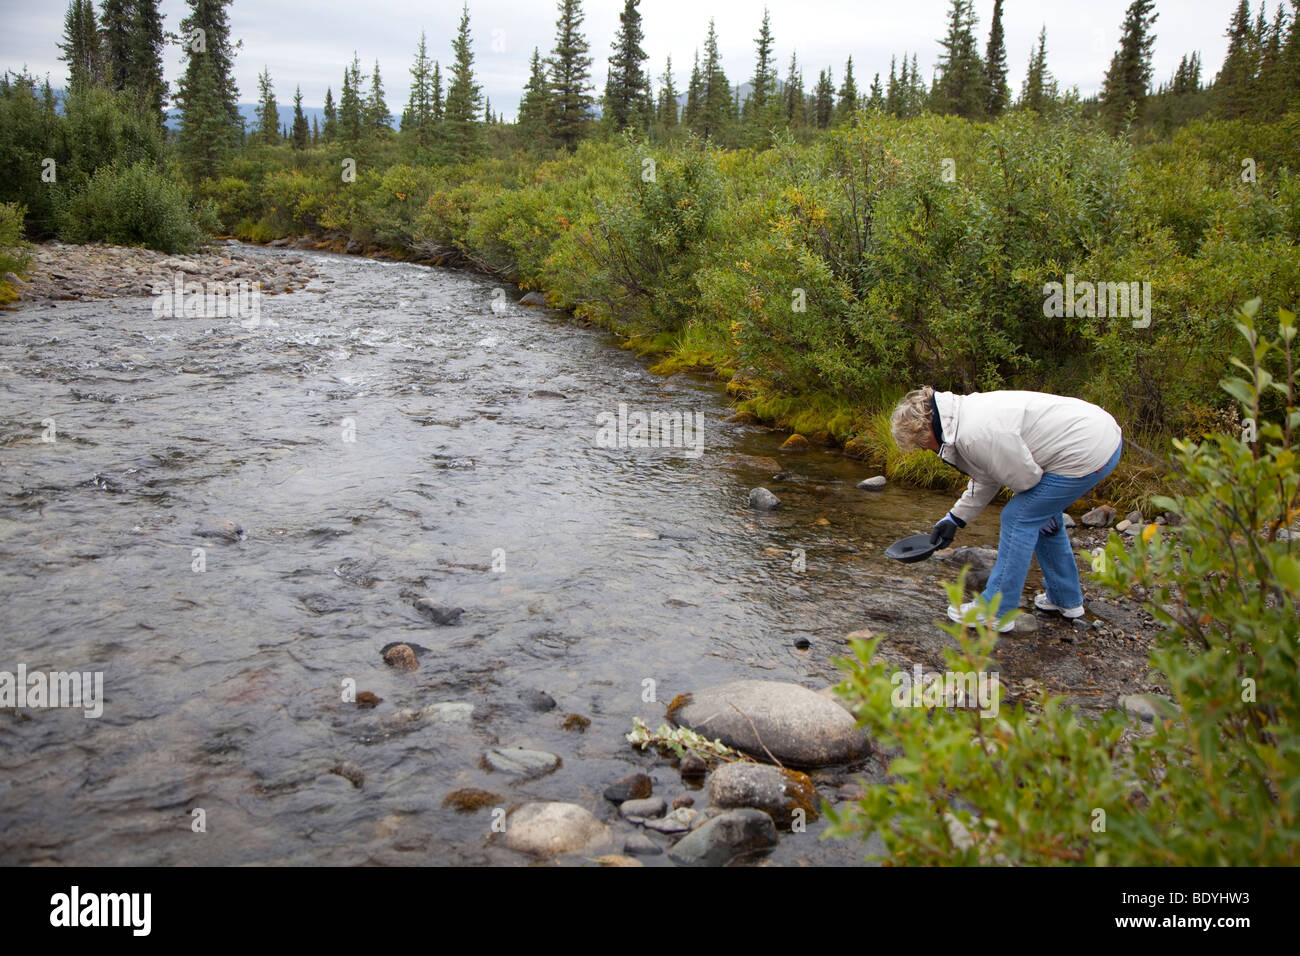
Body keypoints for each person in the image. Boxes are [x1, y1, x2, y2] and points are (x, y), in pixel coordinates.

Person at [890, 386, 1123, 632]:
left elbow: (1026, 480)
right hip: (1097, 435)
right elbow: (988, 474)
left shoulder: (974, 433)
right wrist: (955, 519)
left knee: (1019, 518)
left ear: (924, 428)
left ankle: (997, 611)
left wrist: (1035, 515)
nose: (923, 449)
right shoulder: (960, 417)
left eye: (920, 443)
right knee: (1039, 515)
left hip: (1088, 449)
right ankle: (1065, 599)